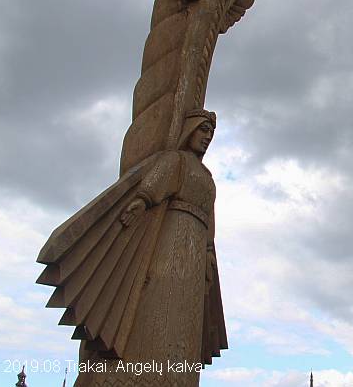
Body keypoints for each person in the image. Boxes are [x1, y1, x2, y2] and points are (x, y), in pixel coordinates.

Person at [37, 109, 226, 387]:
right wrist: (142, 200)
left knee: (185, 316)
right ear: (189, 130)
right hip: (171, 237)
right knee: (159, 299)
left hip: (195, 250)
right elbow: (155, 183)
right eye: (203, 130)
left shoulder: (208, 179)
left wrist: (208, 249)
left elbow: (210, 219)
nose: (207, 137)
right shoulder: (177, 161)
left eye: (211, 132)